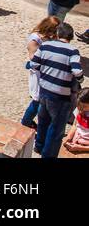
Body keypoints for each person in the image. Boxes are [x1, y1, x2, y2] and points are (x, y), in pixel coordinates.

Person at [29, 22, 83, 158]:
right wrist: (80, 79)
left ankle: (39, 146)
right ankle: (48, 155)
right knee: (56, 129)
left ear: (58, 34)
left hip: (44, 91)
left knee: (43, 121)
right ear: (70, 37)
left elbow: (34, 64)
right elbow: (77, 72)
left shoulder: (45, 46)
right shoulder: (73, 51)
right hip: (61, 97)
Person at [22, 17, 61, 128]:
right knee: (37, 99)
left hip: (46, 71)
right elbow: (33, 59)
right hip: (38, 73)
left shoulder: (49, 37)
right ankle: (26, 121)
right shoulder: (35, 40)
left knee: (42, 99)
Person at [62, 90, 89, 156]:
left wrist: (81, 148)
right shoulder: (79, 108)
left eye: (84, 106)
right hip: (77, 139)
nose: (81, 108)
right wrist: (68, 137)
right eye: (79, 105)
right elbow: (75, 125)